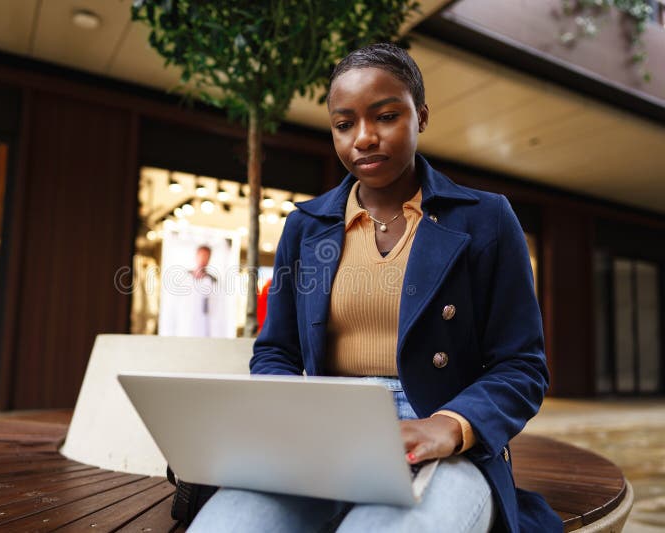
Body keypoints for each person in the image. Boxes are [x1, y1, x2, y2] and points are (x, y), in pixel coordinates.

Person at [188, 43, 561, 532]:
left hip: (440, 435)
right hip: (323, 434)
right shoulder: (306, 225)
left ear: (421, 116)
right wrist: (280, 417)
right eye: (344, 125)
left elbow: (522, 365)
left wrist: (449, 426)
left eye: (385, 116)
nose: (363, 138)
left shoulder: (487, 219)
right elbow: (276, 349)